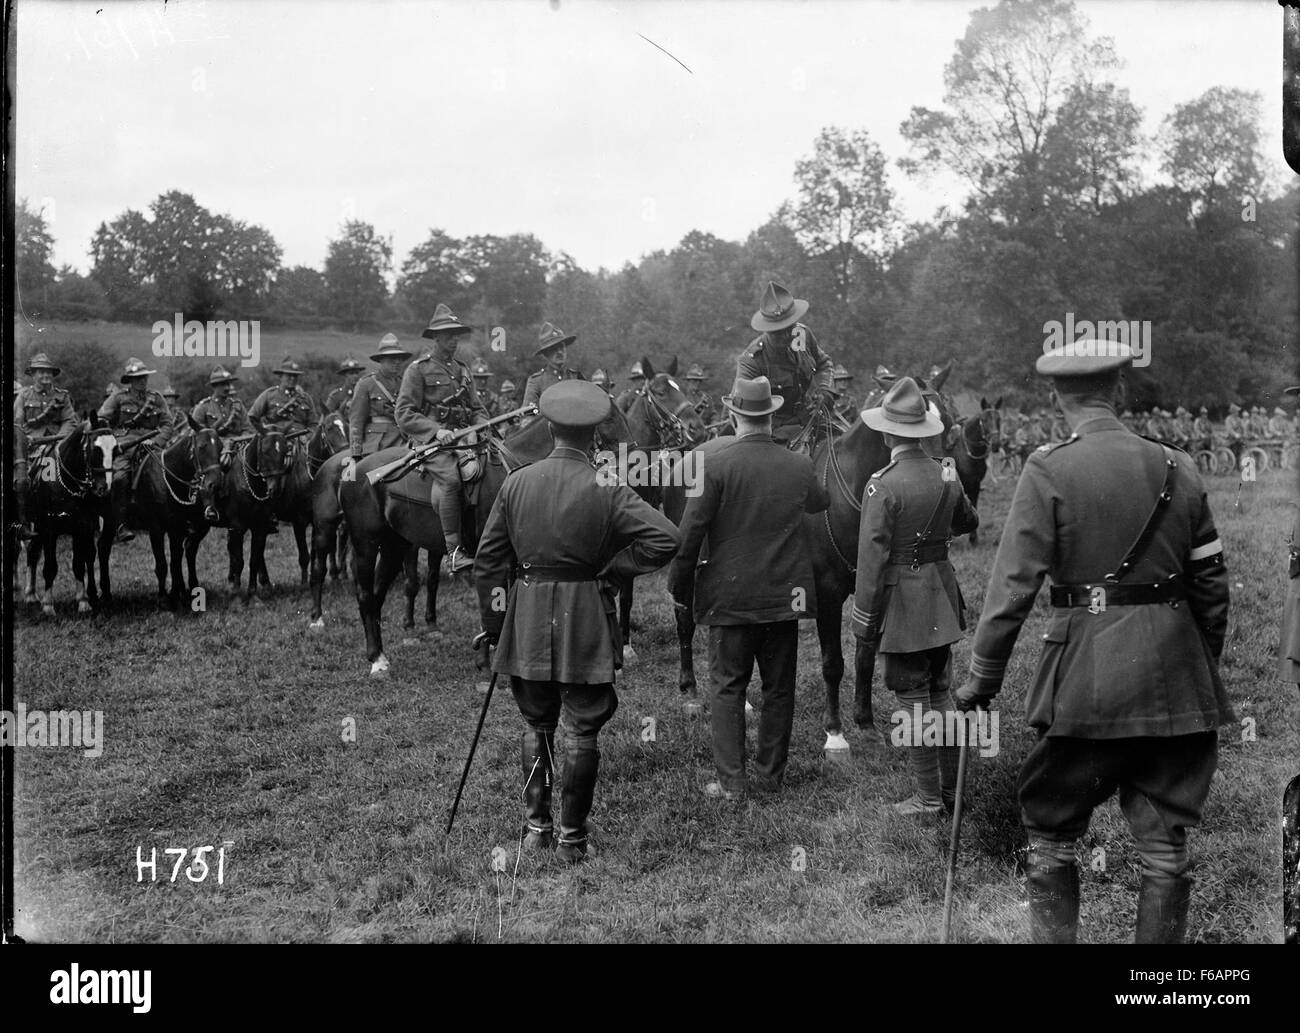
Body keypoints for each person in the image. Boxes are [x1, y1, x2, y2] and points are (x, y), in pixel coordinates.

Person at [955, 341, 1231, 944]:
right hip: (1173, 678)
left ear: (1058, 399)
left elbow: (1012, 588)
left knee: (1051, 827)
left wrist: (982, 677)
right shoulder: (1178, 465)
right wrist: (1196, 659)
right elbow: (1211, 582)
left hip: (1084, 686)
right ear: (1121, 391)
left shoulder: (1049, 467)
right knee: (1165, 845)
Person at [474, 381, 680, 862]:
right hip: (584, 614)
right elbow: (667, 538)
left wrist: (496, 621)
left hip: (524, 615)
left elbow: (487, 562)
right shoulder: (607, 485)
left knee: (535, 721)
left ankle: (535, 829)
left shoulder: (516, 482)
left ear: (548, 427)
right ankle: (572, 839)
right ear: (594, 436)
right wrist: (615, 568)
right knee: (582, 730)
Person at [669, 376, 830, 800]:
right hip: (784, 597)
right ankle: (770, 775)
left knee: (727, 686)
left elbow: (688, 538)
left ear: (734, 416)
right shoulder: (797, 464)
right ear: (771, 416)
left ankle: (732, 783)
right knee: (779, 688)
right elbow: (822, 501)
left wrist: (678, 586)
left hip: (729, 597)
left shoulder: (712, 467)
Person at [849, 377, 978, 814]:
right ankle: (947, 792)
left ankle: (928, 798)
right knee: (940, 691)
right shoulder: (946, 470)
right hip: (942, 594)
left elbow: (871, 559)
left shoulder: (881, 484)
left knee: (911, 696)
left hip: (902, 604)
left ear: (887, 434)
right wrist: (935, 539)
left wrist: (864, 619)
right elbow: (969, 520)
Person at [395, 304, 488, 573]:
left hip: (464, 440)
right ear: (435, 337)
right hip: (432, 443)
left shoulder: (463, 370)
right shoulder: (418, 370)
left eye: (457, 334)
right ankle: (454, 552)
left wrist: (478, 427)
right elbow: (403, 413)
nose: (454, 339)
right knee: (450, 479)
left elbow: (478, 409)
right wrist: (436, 430)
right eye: (449, 335)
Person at [736, 281, 834, 444]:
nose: (787, 336)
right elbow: (743, 411)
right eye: (778, 332)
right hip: (774, 434)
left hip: (812, 421)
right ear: (766, 329)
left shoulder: (801, 335)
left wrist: (824, 392)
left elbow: (824, 364)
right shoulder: (753, 361)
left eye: (789, 327)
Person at [98, 358, 177, 543]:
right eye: (137, 378)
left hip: (153, 446)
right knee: (119, 478)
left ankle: (179, 517)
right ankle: (120, 524)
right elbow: (101, 421)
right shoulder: (118, 398)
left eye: (144, 377)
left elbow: (167, 423)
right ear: (130, 380)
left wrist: (156, 441)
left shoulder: (156, 398)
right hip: (125, 445)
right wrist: (114, 440)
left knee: (174, 472)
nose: (142, 381)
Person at [13, 352, 77, 540]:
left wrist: (60, 440)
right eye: (40, 372)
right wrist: (27, 439)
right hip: (29, 446)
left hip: (57, 444)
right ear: (33, 375)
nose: (45, 376)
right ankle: (22, 524)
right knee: (20, 481)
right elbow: (17, 424)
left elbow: (70, 421)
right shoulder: (24, 396)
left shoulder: (62, 396)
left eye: (48, 372)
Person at [349, 335, 411, 461]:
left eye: (400, 359)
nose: (397, 362)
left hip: (404, 439)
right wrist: (356, 451)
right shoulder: (366, 384)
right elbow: (356, 421)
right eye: (392, 358)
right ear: (381, 360)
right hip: (378, 444)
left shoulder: (406, 383)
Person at [521, 323, 585, 423]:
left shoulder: (576, 377)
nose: (559, 352)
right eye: (554, 348)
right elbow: (527, 419)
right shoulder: (536, 382)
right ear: (546, 354)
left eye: (562, 347)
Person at [248, 358, 319, 434]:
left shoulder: (305, 398)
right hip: (276, 440)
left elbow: (313, 424)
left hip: (301, 441)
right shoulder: (269, 395)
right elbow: (252, 418)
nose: (292, 378)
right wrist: (264, 433)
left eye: (295, 376)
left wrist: (308, 437)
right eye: (289, 375)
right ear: (280, 376)